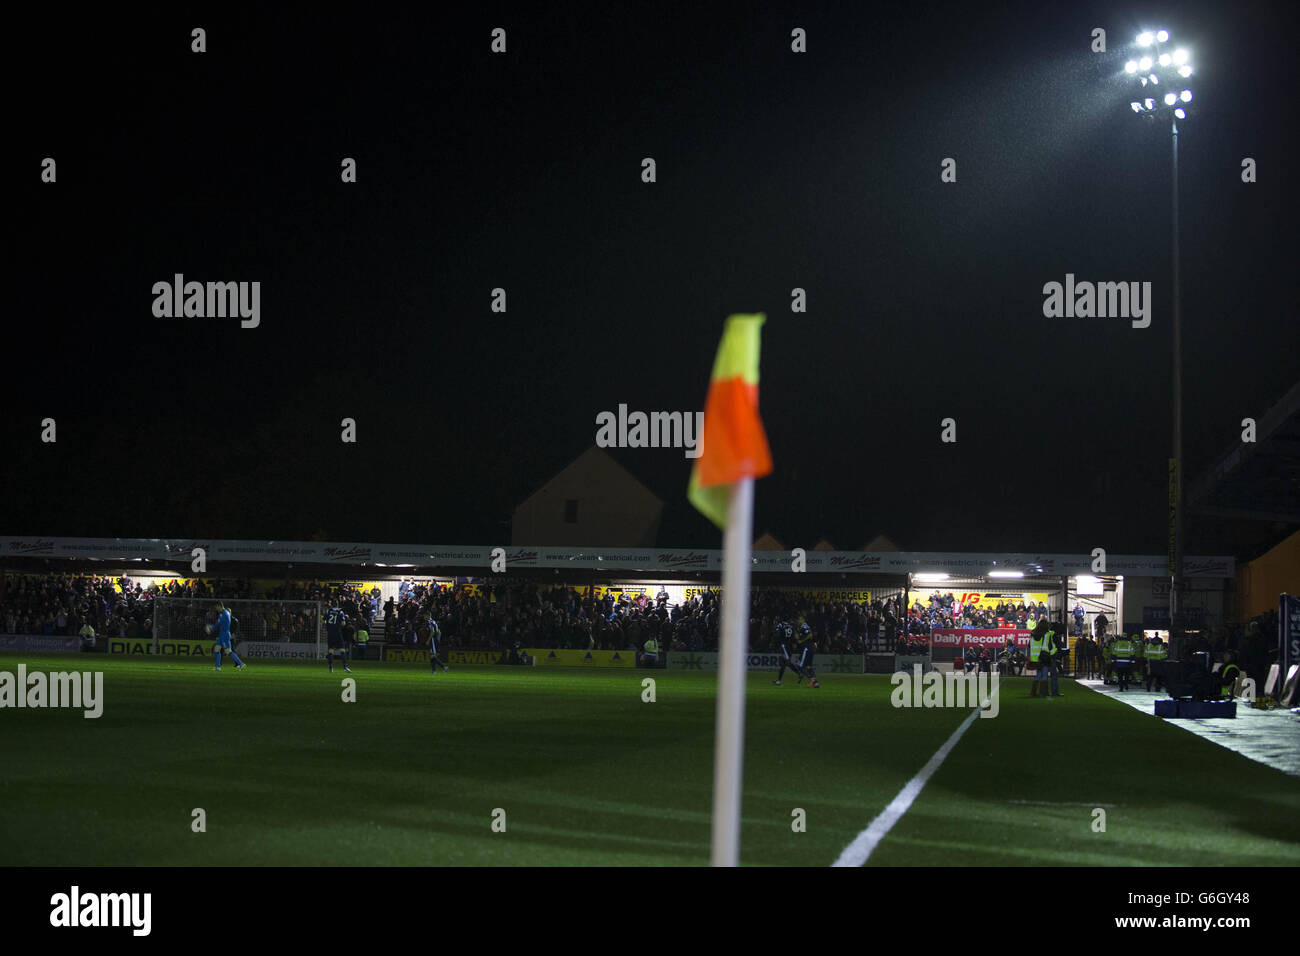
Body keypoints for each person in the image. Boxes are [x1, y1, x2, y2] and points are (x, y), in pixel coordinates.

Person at [209, 601, 246, 671]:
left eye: (216, 607)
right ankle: (218, 667)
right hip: (223, 634)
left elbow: (219, 623)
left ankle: (241, 664)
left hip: (224, 635)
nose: (216, 609)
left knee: (228, 651)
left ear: (219, 606)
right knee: (216, 649)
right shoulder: (225, 613)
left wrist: (211, 628)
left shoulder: (224, 614)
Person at [773, 620, 805, 685]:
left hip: (785, 646)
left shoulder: (781, 624)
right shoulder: (791, 626)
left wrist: (778, 636)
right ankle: (799, 674)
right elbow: (795, 636)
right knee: (786, 663)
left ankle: (779, 681)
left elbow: (777, 633)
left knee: (785, 663)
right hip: (789, 646)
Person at [325, 602, 351, 674]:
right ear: (337, 605)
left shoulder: (328, 611)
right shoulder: (340, 612)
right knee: (342, 650)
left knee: (330, 650)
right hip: (337, 633)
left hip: (330, 633)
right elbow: (343, 624)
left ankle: (330, 668)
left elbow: (323, 620)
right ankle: (345, 667)